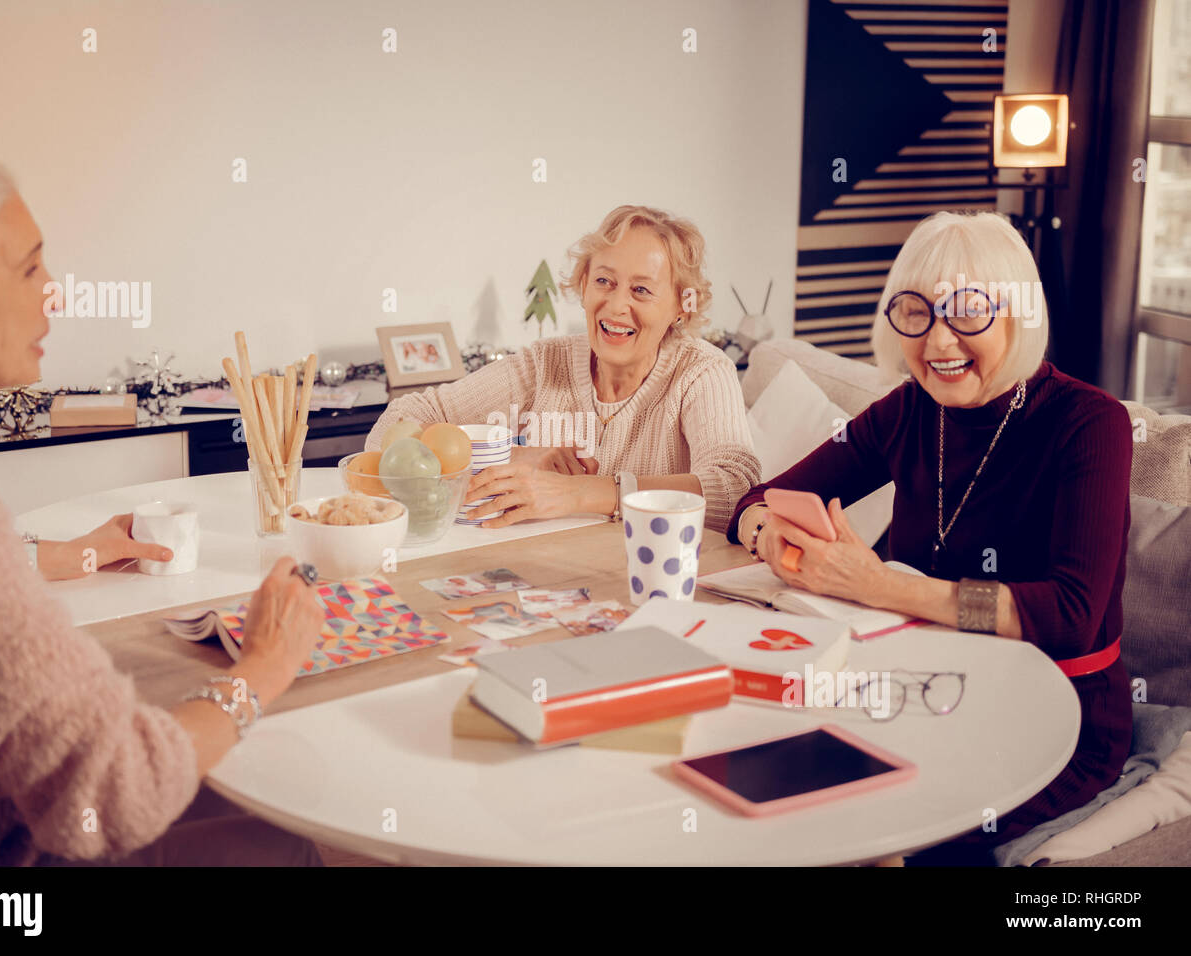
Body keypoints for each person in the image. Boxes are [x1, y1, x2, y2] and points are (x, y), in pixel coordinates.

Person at [0, 146, 326, 865]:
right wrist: (265, 669)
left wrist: (54, 556)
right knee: (283, 844)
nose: (53, 293)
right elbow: (116, 788)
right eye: (30, 268)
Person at [727, 211, 1133, 865]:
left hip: (1058, 711)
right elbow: (756, 499)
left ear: (1017, 315)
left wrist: (878, 585)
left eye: (968, 312)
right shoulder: (909, 409)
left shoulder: (1091, 424)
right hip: (923, 687)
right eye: (915, 312)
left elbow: (1070, 618)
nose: (939, 341)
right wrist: (766, 531)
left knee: (891, 832)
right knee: (758, 783)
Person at [365, 205, 761, 532]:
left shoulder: (702, 372)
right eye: (605, 281)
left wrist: (580, 493)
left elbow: (733, 489)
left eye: (641, 289)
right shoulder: (544, 364)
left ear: (680, 306)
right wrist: (512, 458)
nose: (617, 305)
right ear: (585, 284)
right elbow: (396, 424)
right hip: (547, 575)